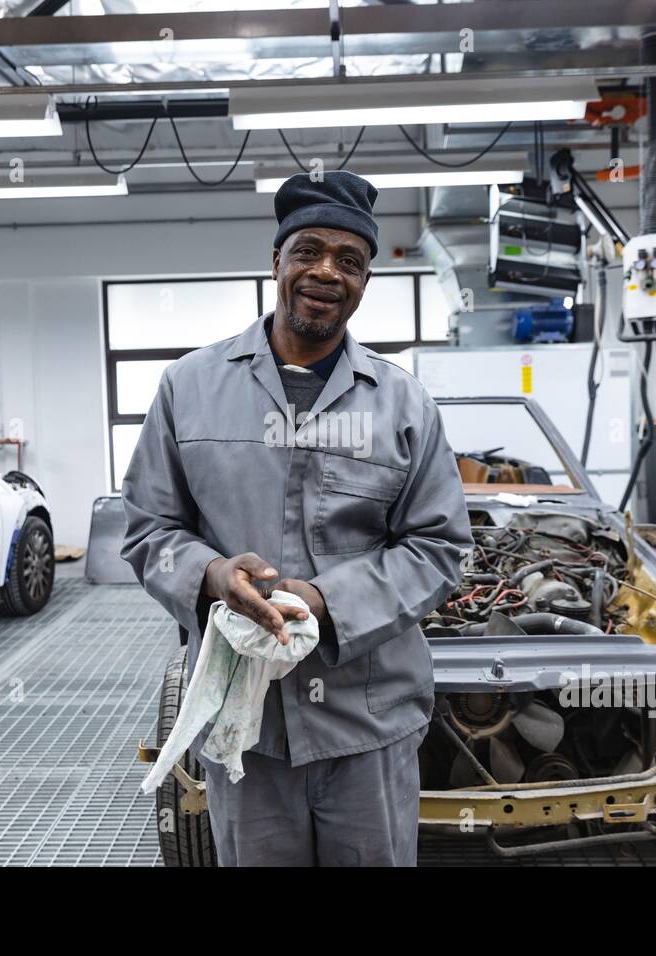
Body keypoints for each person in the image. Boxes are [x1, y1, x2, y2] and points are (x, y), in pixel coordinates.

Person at [121, 170, 471, 866]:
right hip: (245, 726)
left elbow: (438, 548)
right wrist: (214, 574)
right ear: (275, 261)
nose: (326, 272)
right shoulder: (188, 387)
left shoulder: (404, 405)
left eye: (350, 260)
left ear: (366, 279)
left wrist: (323, 600)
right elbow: (148, 528)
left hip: (367, 724)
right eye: (307, 250)